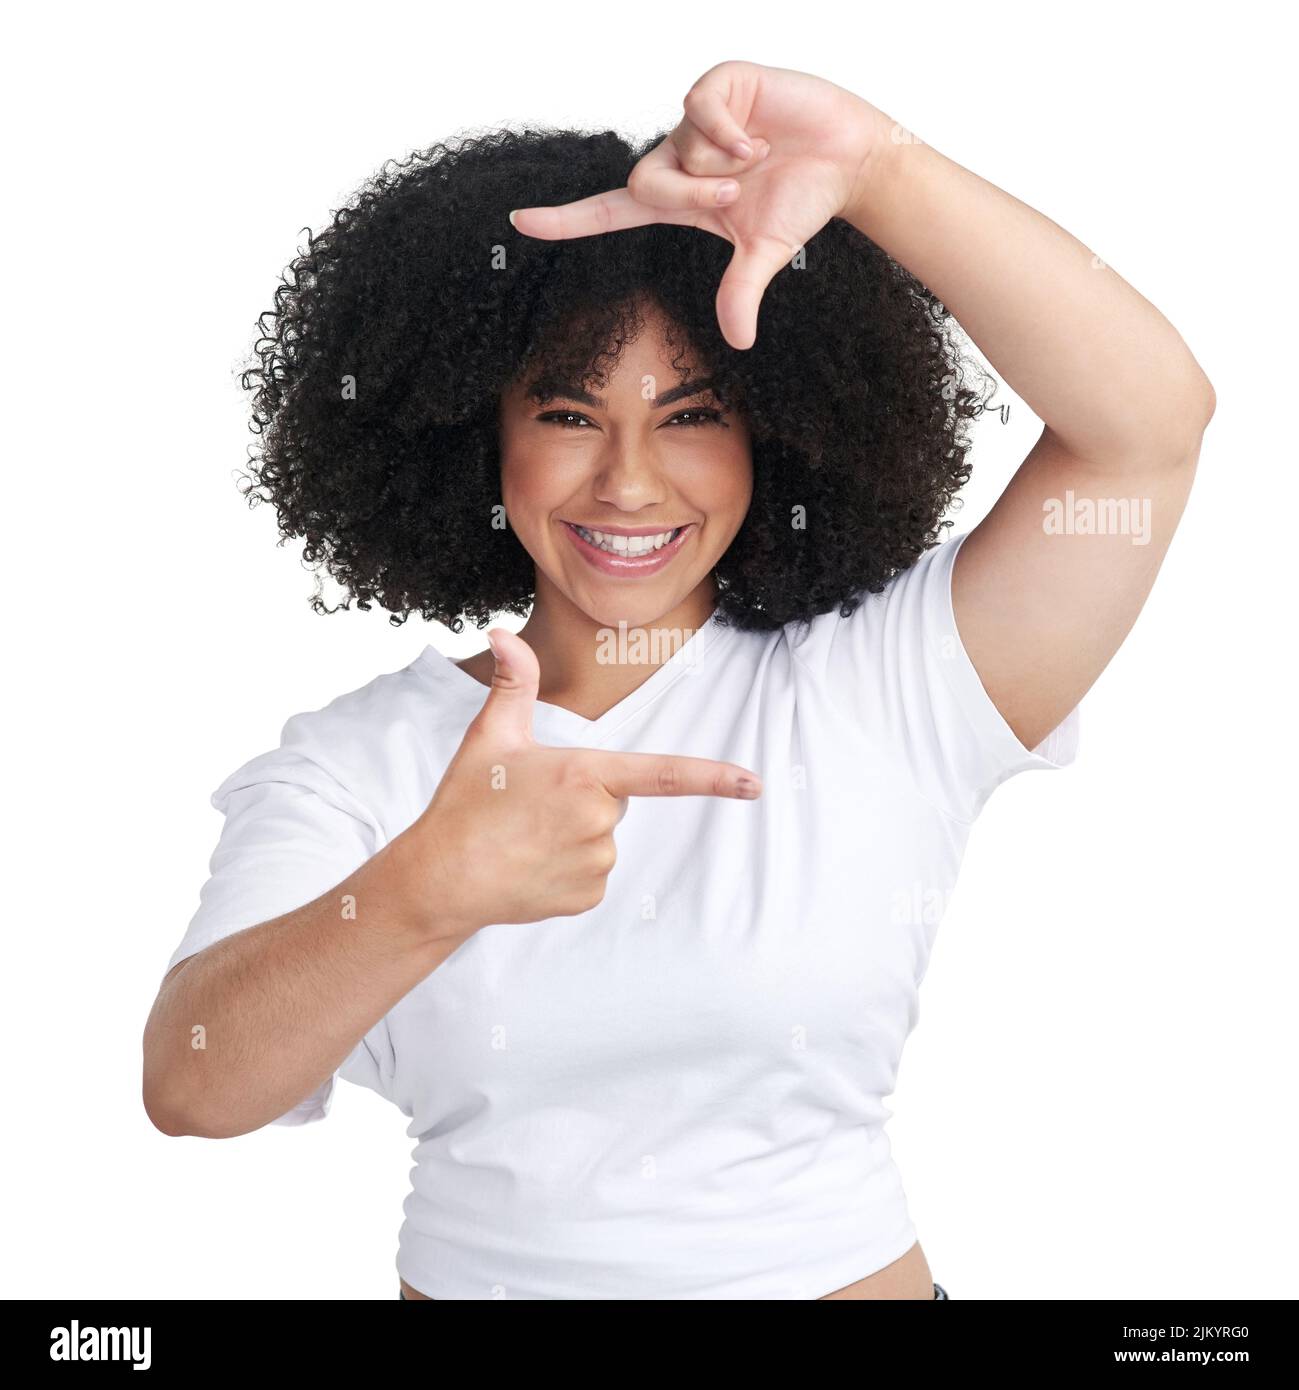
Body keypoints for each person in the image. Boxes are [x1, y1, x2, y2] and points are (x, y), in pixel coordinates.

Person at [142, 60, 1215, 1301]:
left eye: (690, 414)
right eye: (569, 415)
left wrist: (879, 173)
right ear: (480, 439)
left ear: (774, 428)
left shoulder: (885, 680)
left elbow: (1148, 429)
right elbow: (192, 1084)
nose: (632, 484)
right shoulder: (359, 763)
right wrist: (421, 890)